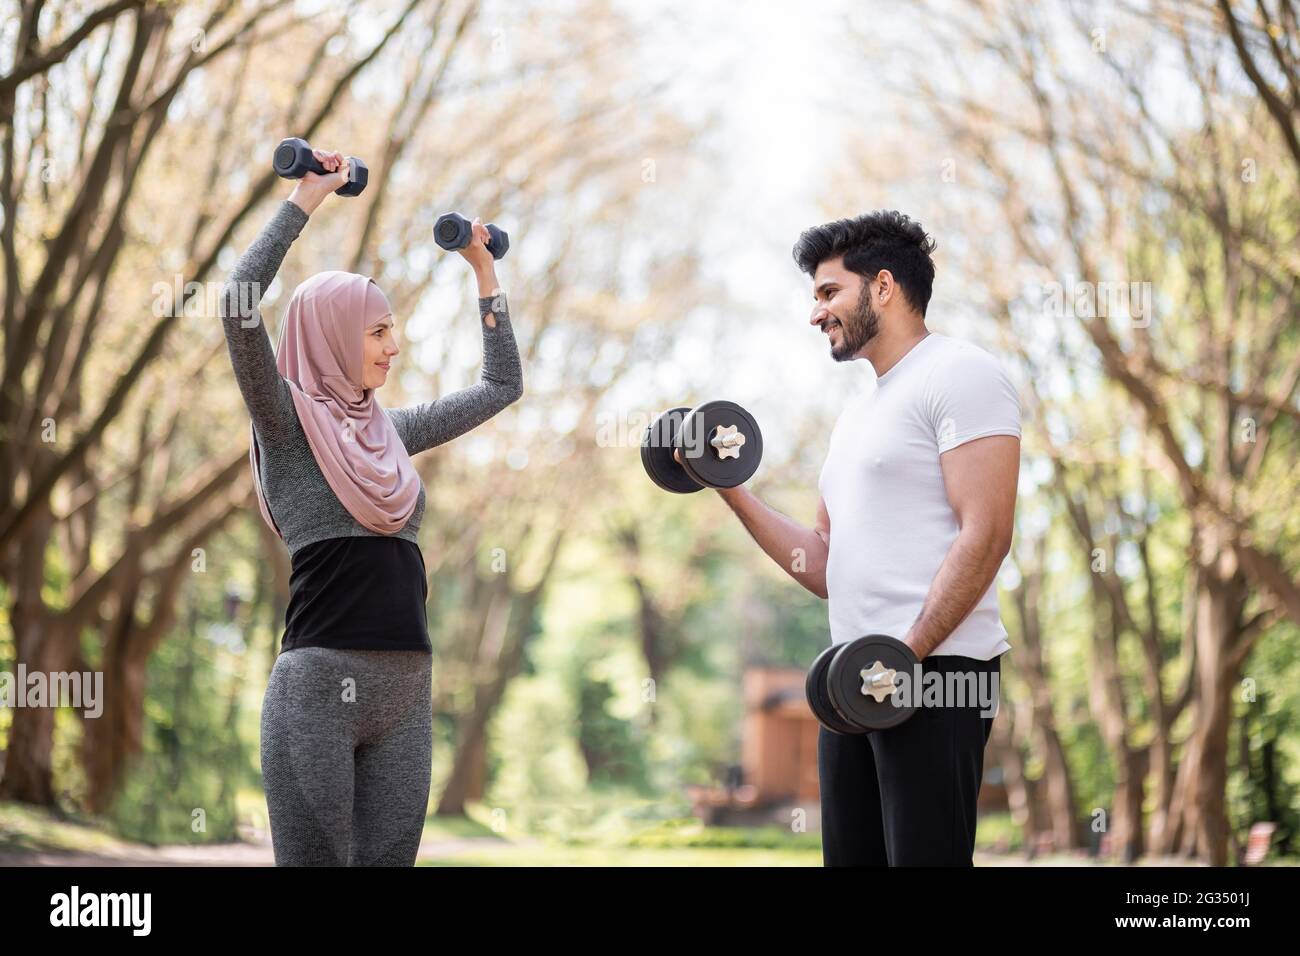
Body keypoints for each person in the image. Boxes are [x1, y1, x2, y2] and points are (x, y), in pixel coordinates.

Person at [218, 148, 523, 865]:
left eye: (394, 329)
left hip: (407, 692)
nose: (396, 344)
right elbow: (238, 306)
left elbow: (502, 384)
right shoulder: (286, 424)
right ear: (330, 334)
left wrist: (484, 270)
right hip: (316, 689)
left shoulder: (391, 434)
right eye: (378, 330)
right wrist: (307, 197)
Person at [699, 211, 1020, 865]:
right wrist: (729, 487)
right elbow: (822, 560)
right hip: (854, 681)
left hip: (937, 675)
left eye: (827, 293)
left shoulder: (962, 373)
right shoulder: (857, 413)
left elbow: (985, 534)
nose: (815, 314)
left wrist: (909, 656)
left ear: (881, 287)